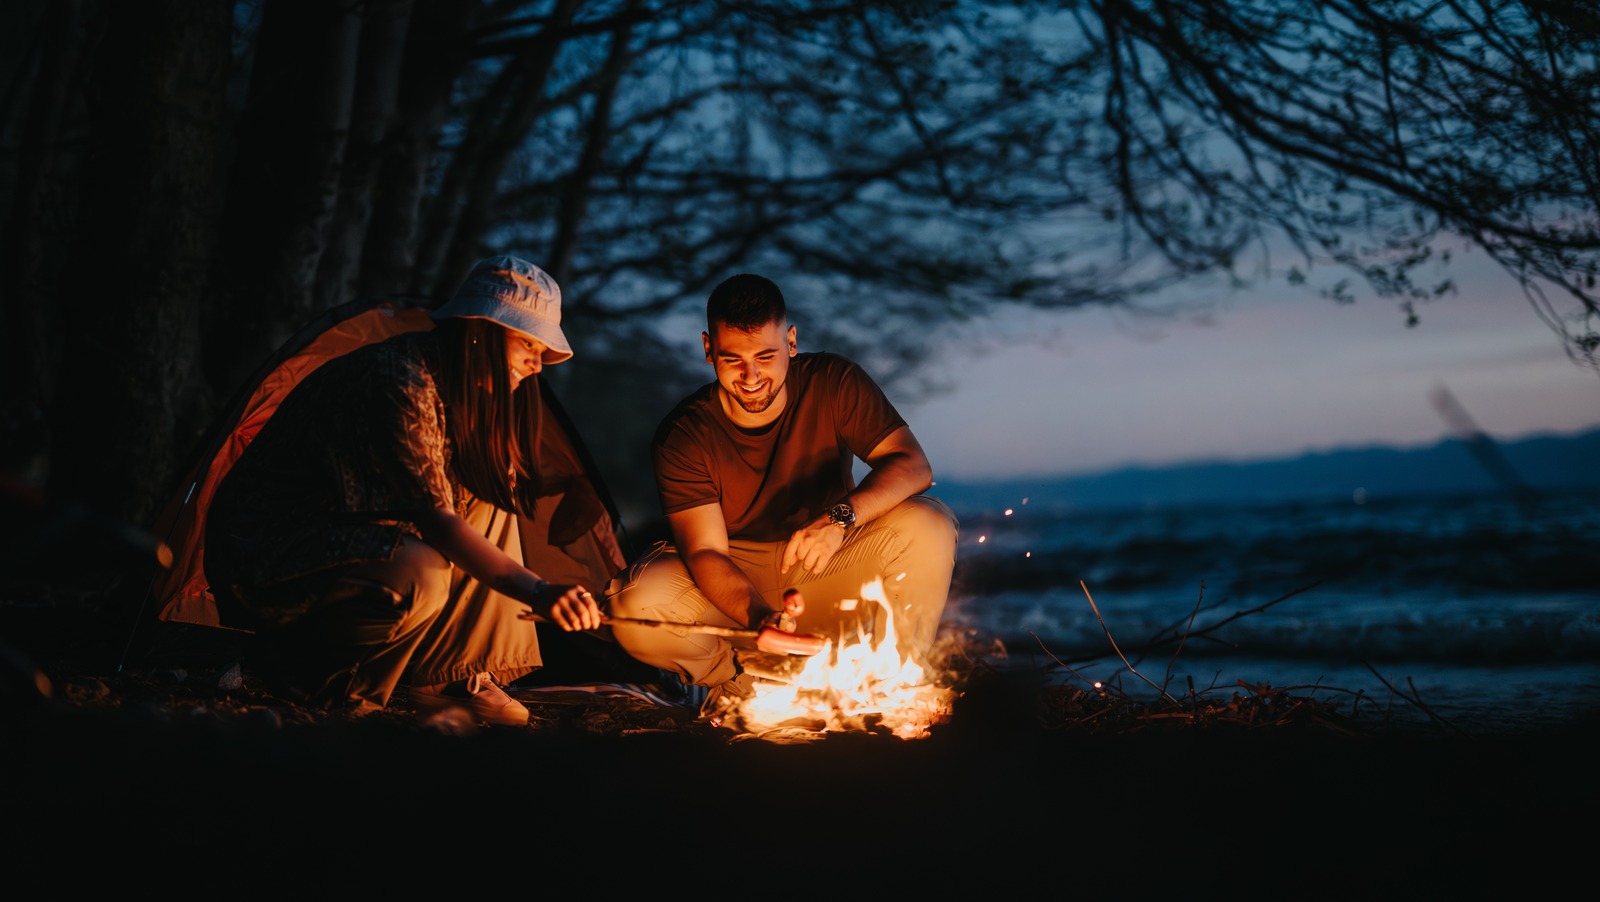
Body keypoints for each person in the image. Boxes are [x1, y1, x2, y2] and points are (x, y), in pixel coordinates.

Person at [203, 255, 606, 725]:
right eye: (528, 344)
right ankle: (308, 677)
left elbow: (484, 491)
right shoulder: (399, 378)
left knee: (491, 496)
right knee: (421, 570)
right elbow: (435, 517)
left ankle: (452, 677)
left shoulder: (463, 389)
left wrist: (575, 489)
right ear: (480, 331)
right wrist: (538, 591)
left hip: (344, 539)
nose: (537, 365)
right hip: (268, 552)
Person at [606, 273, 959, 720]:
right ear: (708, 349)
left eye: (766, 356)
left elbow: (912, 465)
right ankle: (739, 685)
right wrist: (759, 618)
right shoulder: (685, 435)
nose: (750, 376)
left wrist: (839, 519)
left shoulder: (834, 382)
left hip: (827, 561)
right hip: (734, 579)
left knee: (927, 523)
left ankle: (897, 681)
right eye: (732, 359)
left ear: (791, 342)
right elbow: (706, 551)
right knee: (635, 599)